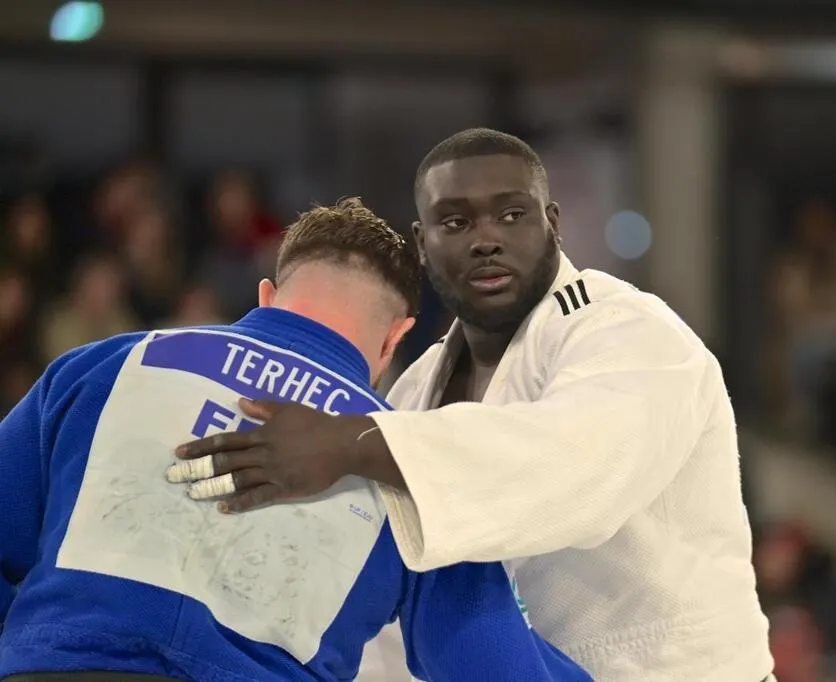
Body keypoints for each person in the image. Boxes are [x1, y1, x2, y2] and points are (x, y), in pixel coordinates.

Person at [171, 129, 774, 681]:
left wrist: (344, 442)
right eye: (454, 222)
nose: (486, 240)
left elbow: (579, 466)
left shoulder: (629, 330)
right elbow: (397, 608)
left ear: (553, 224)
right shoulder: (414, 394)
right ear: (422, 244)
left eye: (512, 215)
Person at [0, 198, 590, 682]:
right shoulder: (404, 457)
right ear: (395, 341)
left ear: (265, 297)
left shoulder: (102, 369)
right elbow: (488, 660)